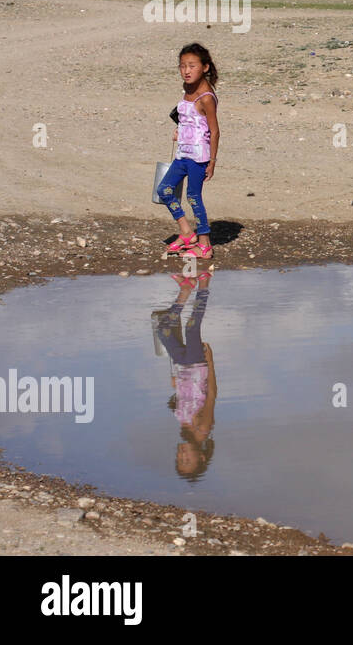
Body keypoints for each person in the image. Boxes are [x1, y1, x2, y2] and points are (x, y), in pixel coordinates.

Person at [152, 271, 217, 480]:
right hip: (198, 365)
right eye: (187, 460)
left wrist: (176, 383)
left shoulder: (185, 429)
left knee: (164, 331)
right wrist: (211, 360)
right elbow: (212, 395)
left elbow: (185, 398)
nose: (182, 455)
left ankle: (185, 291)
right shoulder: (203, 428)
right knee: (191, 328)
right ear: (201, 457)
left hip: (181, 367)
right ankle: (204, 286)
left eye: (179, 459)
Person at [159, 43, 219, 259]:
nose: (186, 71)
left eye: (192, 66)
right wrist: (180, 131)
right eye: (182, 66)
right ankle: (186, 231)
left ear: (204, 67)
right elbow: (190, 121)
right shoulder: (187, 90)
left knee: (194, 197)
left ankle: (205, 245)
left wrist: (212, 161)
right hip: (182, 154)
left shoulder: (206, 97)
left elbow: (214, 131)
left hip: (198, 156)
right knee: (164, 190)